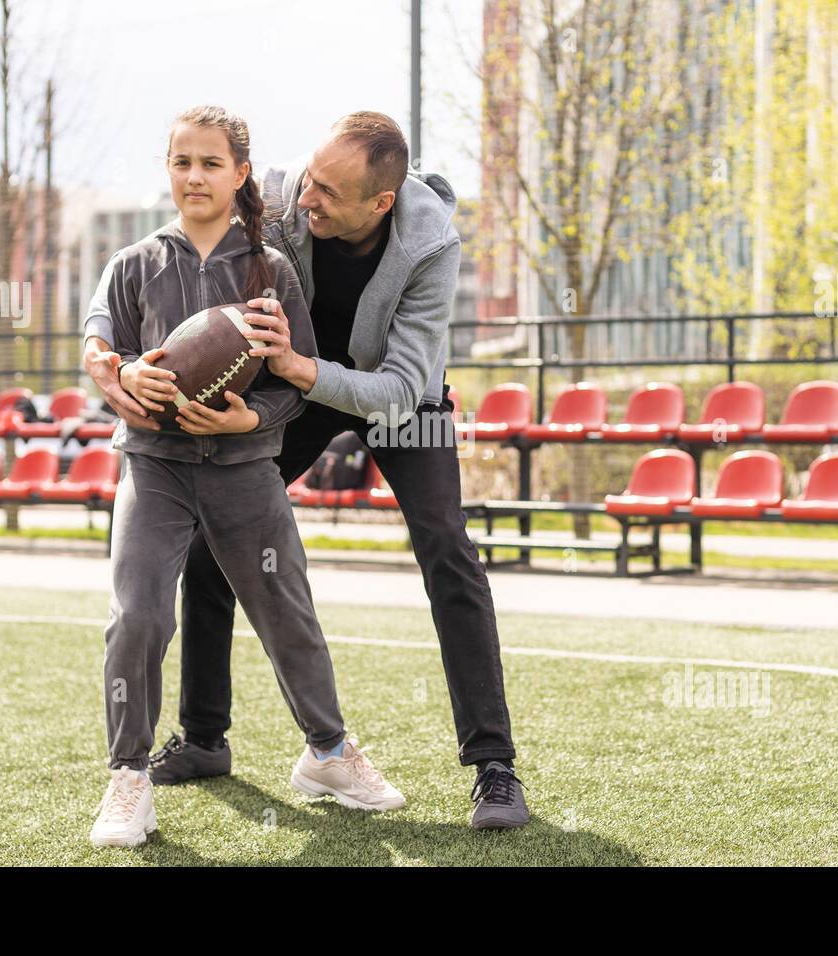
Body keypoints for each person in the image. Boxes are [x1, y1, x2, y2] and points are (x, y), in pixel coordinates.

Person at [86, 112, 528, 830]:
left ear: (379, 204)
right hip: (297, 386)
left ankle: (494, 767)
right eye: (308, 179)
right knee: (209, 521)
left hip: (392, 391)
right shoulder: (287, 201)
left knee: (449, 547)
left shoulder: (431, 243)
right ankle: (204, 738)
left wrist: (298, 370)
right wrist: (238, 398)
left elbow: (398, 388)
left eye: (327, 192)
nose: (305, 199)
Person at [88, 105, 403, 849]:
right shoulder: (134, 264)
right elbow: (103, 354)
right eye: (180, 162)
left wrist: (248, 421)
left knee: (287, 610)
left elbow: (294, 384)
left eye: (209, 164)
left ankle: (327, 753)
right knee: (137, 616)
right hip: (154, 467)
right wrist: (129, 370)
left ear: (240, 175)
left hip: (240, 468)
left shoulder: (272, 269)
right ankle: (129, 777)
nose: (193, 176)